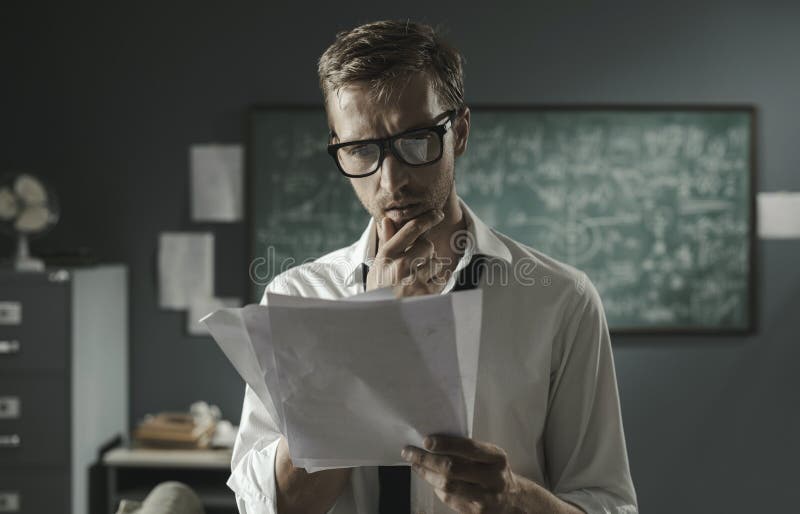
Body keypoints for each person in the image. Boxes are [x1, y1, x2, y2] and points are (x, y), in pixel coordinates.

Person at [228, 20, 638, 514]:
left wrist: (514, 500)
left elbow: (609, 505)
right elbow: (268, 507)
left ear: (459, 132)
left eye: (416, 139)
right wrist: (362, 337)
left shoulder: (562, 301)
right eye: (360, 150)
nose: (391, 180)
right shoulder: (293, 296)